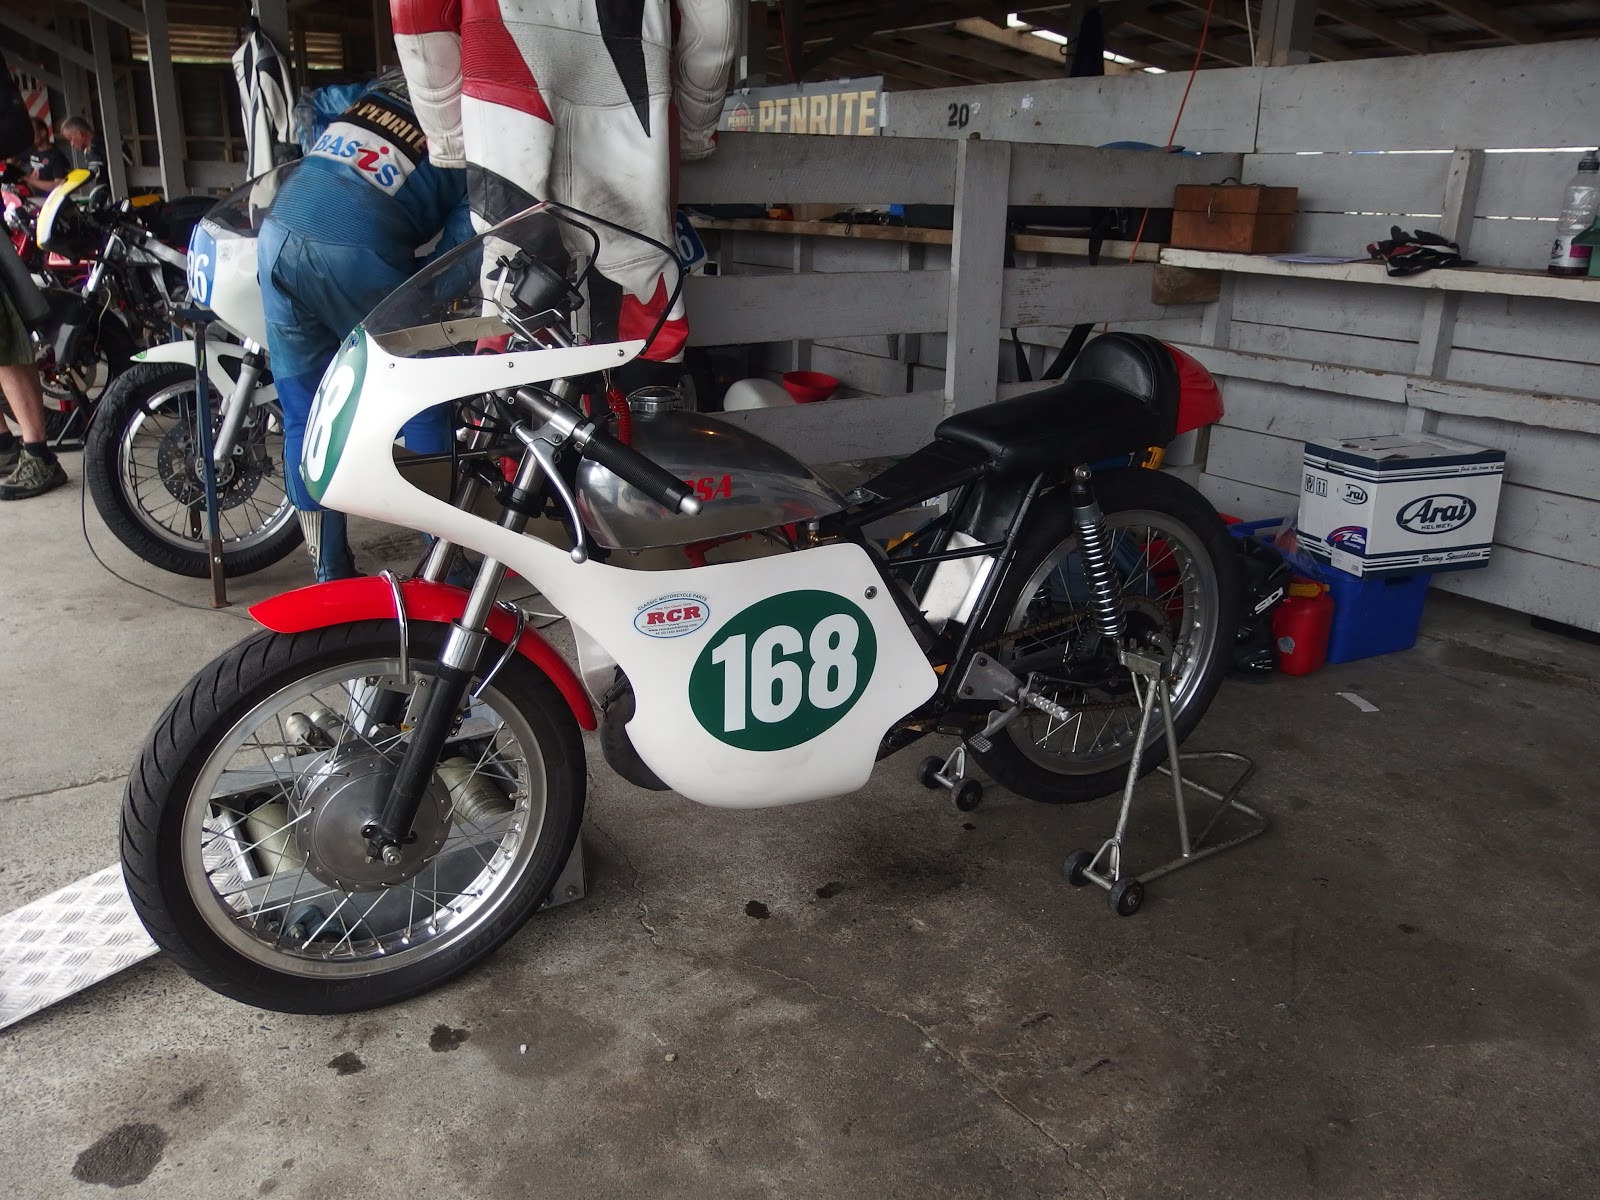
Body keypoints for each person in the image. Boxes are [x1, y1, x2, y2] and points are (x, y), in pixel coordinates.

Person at [389, 0, 738, 386]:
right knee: (643, 278)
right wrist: (691, 131)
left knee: (514, 284)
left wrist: (451, 139)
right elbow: (715, 17)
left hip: (504, 62)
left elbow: (416, 13)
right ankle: (641, 432)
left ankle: (514, 441)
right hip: (633, 72)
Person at [259, 72, 471, 582]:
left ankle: (329, 570)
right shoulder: (485, 127)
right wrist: (425, 305)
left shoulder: (384, 87)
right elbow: (470, 242)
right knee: (422, 398)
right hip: (357, 247)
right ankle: (449, 567)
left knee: (305, 416)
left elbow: (317, 101)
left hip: (277, 233)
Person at [23, 119, 68, 193]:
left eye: (32, 133)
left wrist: (29, 180)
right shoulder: (32, 150)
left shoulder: (56, 156)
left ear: (43, 133)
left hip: (50, 201)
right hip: (33, 199)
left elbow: (58, 185)